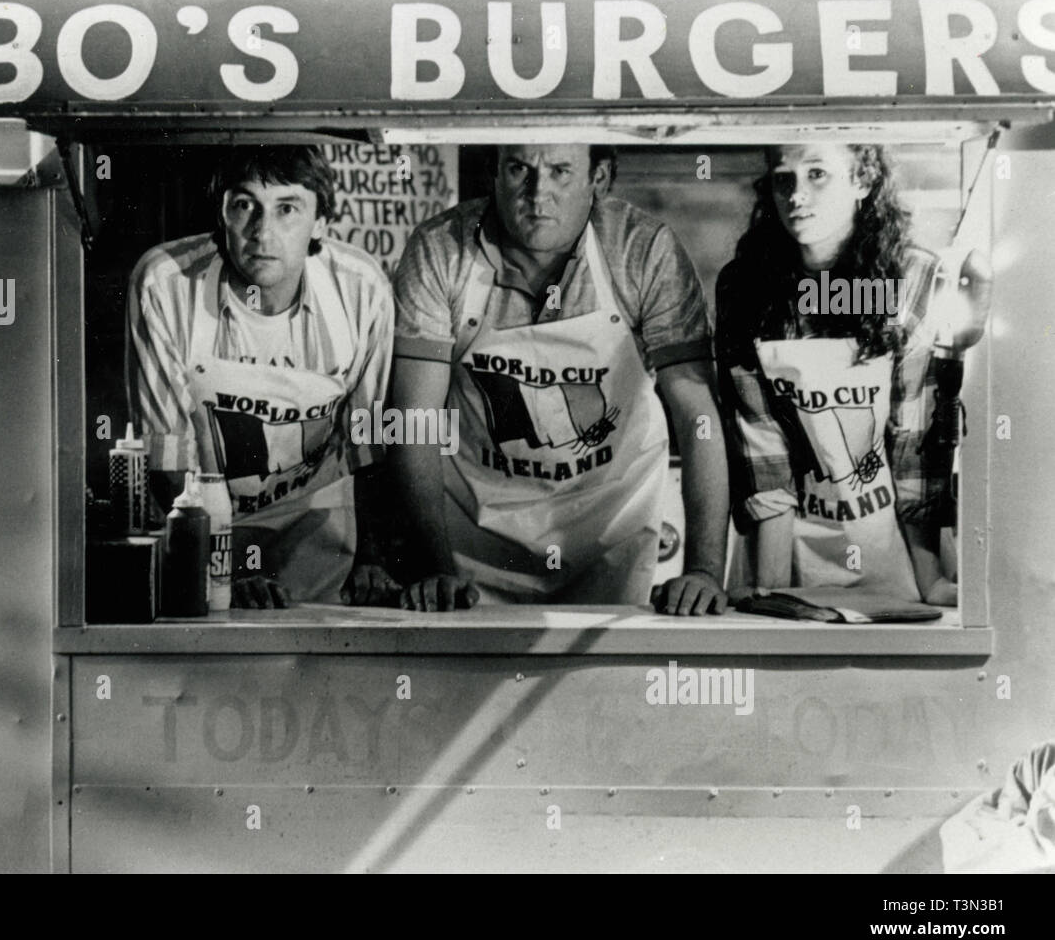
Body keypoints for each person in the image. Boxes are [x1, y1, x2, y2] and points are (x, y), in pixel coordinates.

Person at [389, 144, 729, 613]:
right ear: (494, 172)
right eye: (519, 169)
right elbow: (413, 420)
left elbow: (699, 418)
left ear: (600, 177)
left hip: (610, 540)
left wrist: (704, 571)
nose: (537, 193)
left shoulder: (642, 250)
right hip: (472, 547)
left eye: (560, 171)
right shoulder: (441, 249)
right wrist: (432, 568)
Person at [716, 143, 991, 604]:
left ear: (862, 181)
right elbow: (761, 449)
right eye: (784, 179)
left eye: (817, 174)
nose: (797, 195)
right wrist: (774, 594)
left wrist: (930, 581)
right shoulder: (746, 285)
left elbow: (913, 442)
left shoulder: (912, 276)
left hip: (894, 547)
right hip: (782, 546)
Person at [127, 146, 399, 608]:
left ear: (321, 222)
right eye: (244, 205)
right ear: (221, 214)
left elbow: (365, 445)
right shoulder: (165, 283)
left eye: (287, 209)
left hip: (316, 541)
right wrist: (225, 571)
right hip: (199, 538)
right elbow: (166, 455)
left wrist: (371, 559)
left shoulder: (362, 288)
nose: (262, 232)